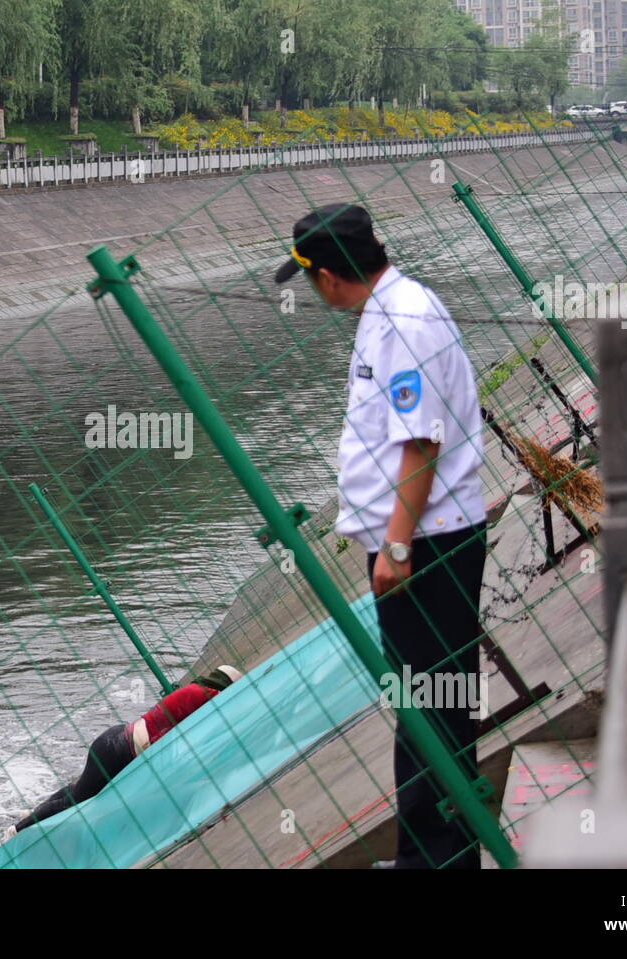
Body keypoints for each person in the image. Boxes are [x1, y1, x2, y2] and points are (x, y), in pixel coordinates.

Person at [275, 203, 487, 869]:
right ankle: (430, 852)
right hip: (420, 542)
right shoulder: (389, 311)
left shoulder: (402, 319)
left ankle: (439, 859)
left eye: (310, 279)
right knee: (424, 704)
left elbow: (421, 440)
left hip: (428, 546)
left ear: (330, 275)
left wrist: (397, 546)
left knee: (432, 707)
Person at [8, 665, 244, 837]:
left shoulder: (196, 690)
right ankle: (18, 830)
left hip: (117, 741)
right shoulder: (202, 695)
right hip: (119, 749)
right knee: (80, 798)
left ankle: (32, 815)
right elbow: (225, 705)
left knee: (78, 790)